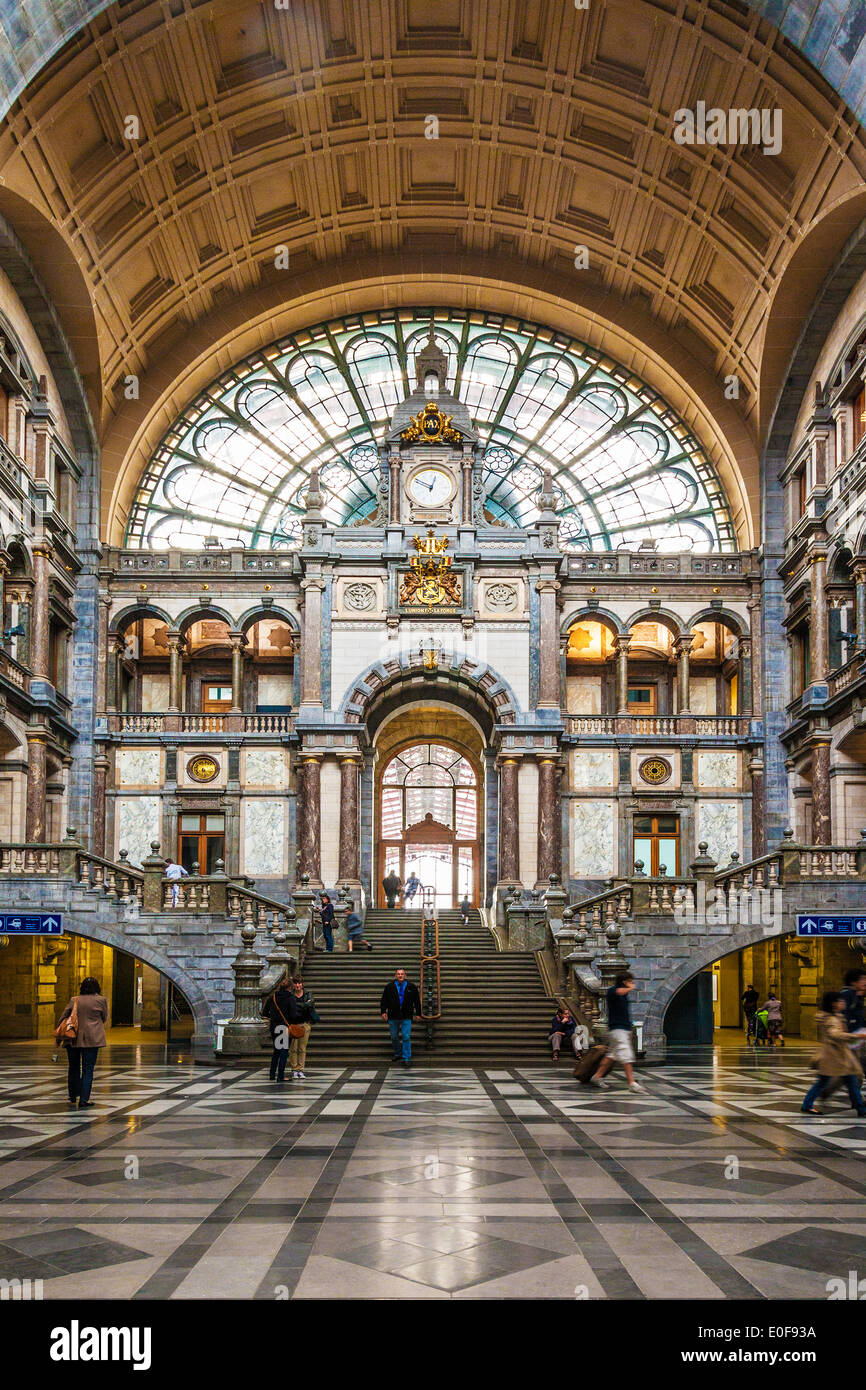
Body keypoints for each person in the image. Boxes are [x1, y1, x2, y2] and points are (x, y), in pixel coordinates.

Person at [801, 990, 866, 1116]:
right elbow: (835, 1034)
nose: (843, 1003)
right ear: (833, 1004)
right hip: (833, 1056)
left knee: (848, 1081)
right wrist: (857, 1036)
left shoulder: (836, 1017)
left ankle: (860, 1108)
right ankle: (807, 1105)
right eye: (840, 1001)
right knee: (826, 1082)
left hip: (837, 1056)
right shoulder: (831, 1019)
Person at [55, 977, 108, 1110]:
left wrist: (59, 1034)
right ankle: (84, 1099)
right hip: (92, 1038)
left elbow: (64, 1016)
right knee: (88, 1069)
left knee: (73, 1067)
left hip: (73, 1037)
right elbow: (104, 1017)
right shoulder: (101, 1000)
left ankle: (73, 1095)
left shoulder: (75, 999)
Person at [590, 972, 644, 1092]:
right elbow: (619, 992)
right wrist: (629, 988)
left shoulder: (623, 994)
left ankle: (597, 1077)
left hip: (623, 1028)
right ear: (624, 981)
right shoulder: (613, 991)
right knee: (626, 1054)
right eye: (630, 981)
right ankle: (632, 1083)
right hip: (617, 1029)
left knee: (612, 1055)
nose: (631, 984)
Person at [380, 967, 422, 1066]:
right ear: (396, 975)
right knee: (394, 1036)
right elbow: (384, 1000)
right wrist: (383, 1011)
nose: (400, 975)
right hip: (393, 1016)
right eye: (398, 974)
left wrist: (418, 1013)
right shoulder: (389, 986)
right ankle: (398, 1053)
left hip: (406, 1016)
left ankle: (406, 1057)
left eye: (402, 974)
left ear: (405, 975)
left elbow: (416, 1001)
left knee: (406, 1036)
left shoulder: (411, 986)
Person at [262, 973, 294, 1082]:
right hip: (284, 1027)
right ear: (290, 987)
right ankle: (280, 1076)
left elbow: (265, 1012)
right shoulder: (290, 998)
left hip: (275, 1027)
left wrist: (274, 1017)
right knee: (284, 1052)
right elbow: (294, 1014)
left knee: (276, 1051)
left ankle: (272, 1074)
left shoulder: (273, 997)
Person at [287, 975, 319, 1080]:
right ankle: (294, 1070)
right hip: (293, 1025)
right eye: (296, 983)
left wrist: (297, 1005)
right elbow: (291, 1007)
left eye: (299, 983)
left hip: (305, 1024)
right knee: (293, 1049)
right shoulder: (290, 995)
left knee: (302, 1048)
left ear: (302, 984)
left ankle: (301, 1069)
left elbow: (311, 1005)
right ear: (293, 985)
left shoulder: (307, 994)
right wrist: (304, 1004)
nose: (298, 985)